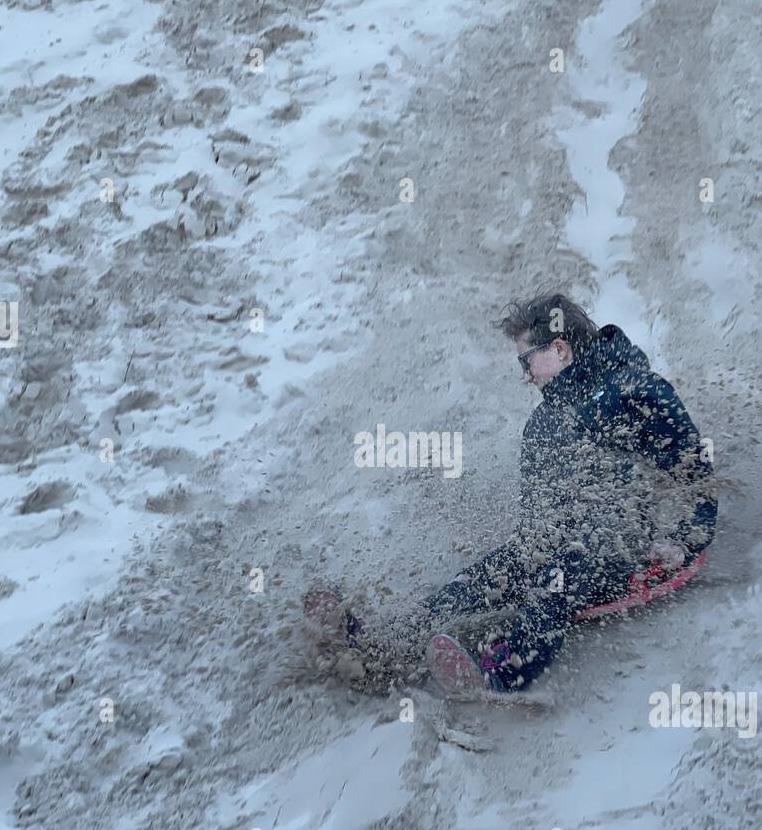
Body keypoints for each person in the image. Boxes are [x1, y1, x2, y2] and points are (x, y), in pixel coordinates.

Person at [307, 292, 717, 696]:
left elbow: (697, 475)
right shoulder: (542, 423)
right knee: (482, 576)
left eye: (526, 360)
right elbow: (536, 518)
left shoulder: (634, 388)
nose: (525, 375)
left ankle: (503, 675)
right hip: (555, 541)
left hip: (619, 539)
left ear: (558, 348)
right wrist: (521, 555)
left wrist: (684, 541)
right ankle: (382, 646)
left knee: (560, 571)